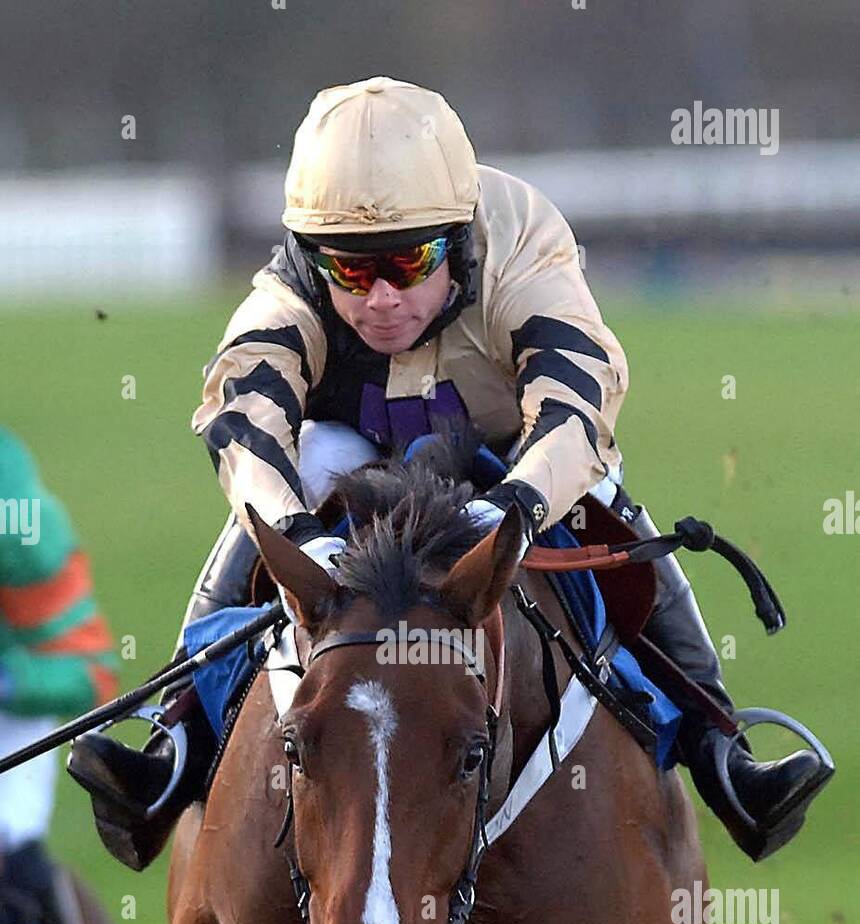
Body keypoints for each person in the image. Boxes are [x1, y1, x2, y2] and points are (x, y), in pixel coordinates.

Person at [68, 76, 830, 869]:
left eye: (408, 260)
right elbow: (239, 411)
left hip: (505, 452)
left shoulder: (524, 244)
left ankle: (723, 754)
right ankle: (173, 743)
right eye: (352, 272)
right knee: (271, 504)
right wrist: (297, 534)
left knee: (603, 499)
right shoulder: (294, 284)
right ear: (310, 254)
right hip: (353, 452)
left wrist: (514, 510)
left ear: (460, 240)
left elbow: (576, 409)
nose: (383, 298)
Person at [0, 427, 119, 924]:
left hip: (9, 721)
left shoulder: (11, 504)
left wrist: (10, 682)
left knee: (16, 882)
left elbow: (89, 672)